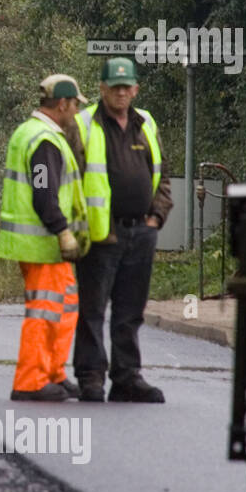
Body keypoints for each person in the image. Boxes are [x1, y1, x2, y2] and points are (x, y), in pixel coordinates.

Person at [73, 57, 174, 403]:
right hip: (101, 235)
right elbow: (69, 180)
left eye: (125, 86)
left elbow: (162, 172)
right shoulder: (84, 124)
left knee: (131, 311)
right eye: (113, 87)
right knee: (93, 310)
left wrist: (156, 218)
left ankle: (127, 377)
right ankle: (90, 378)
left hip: (140, 232)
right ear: (101, 89)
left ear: (135, 89)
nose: (120, 92)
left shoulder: (145, 123)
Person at [0, 75, 91, 401]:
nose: (77, 111)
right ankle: (30, 381)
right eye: (76, 104)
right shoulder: (45, 140)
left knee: (64, 309)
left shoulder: (32, 133)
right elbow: (44, 195)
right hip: (42, 243)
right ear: (62, 104)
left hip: (45, 245)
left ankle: (53, 372)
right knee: (45, 311)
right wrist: (63, 233)